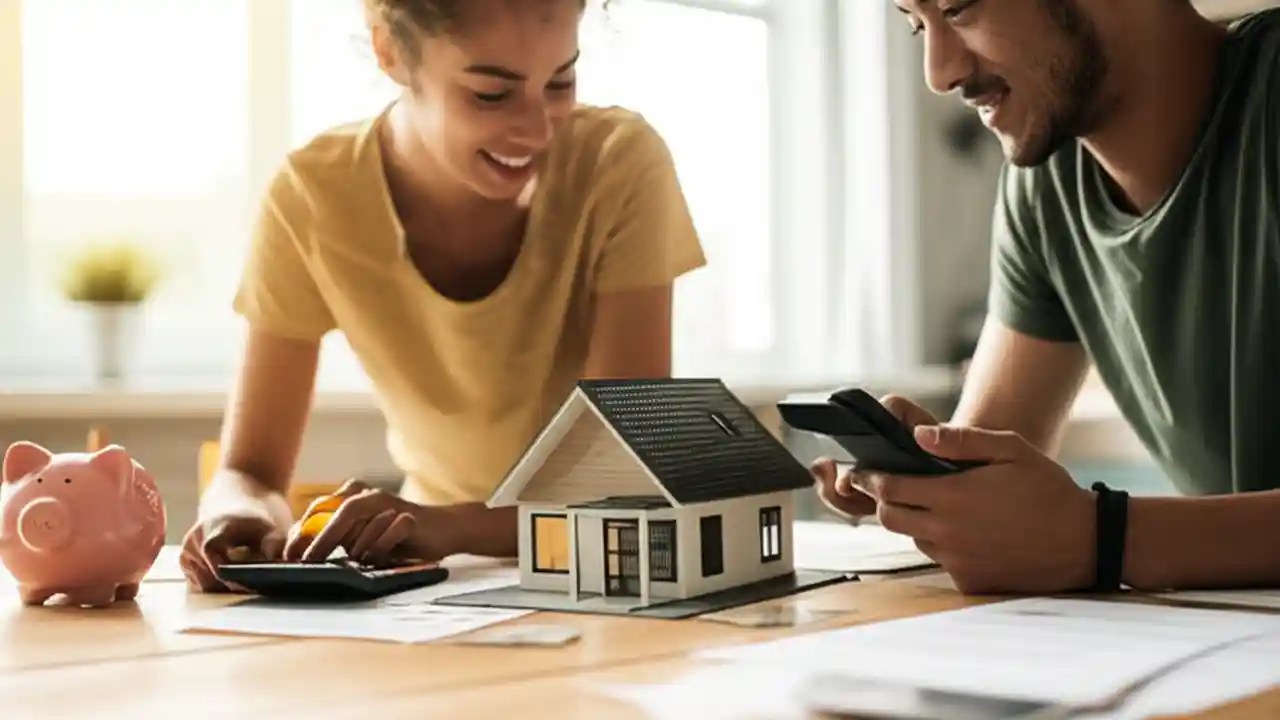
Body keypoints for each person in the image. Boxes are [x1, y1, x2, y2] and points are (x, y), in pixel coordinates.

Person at [180, 0, 705, 591]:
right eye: (491, 94)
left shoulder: (619, 164)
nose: (538, 129)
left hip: (590, 568)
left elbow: (621, 482)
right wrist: (237, 511)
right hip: (430, 579)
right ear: (389, 51)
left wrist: (446, 527)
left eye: (560, 82)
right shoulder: (313, 194)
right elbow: (250, 472)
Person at [814, 0, 1280, 594]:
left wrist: (1104, 538)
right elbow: (993, 451)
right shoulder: (1046, 185)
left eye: (958, 9)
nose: (939, 73)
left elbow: (1083, 538)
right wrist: (935, 478)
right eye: (916, 26)